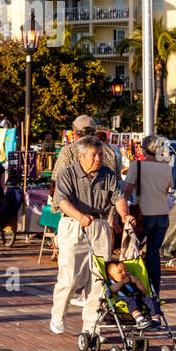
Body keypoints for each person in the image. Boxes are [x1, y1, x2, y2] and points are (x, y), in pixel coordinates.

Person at [50, 136, 129, 337]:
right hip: (73, 225)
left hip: (100, 225)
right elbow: (62, 201)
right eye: (94, 155)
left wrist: (125, 216)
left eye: (100, 155)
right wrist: (79, 216)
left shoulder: (107, 174)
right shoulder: (67, 173)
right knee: (69, 277)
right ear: (81, 156)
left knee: (100, 278)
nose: (98, 159)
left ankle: (91, 325)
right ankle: (58, 315)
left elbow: (118, 197)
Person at [123, 135, 174, 295]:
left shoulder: (136, 165)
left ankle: (134, 289)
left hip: (142, 215)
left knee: (132, 251)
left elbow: (127, 190)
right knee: (154, 254)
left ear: (144, 150)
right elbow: (166, 191)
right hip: (162, 214)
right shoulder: (167, 168)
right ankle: (154, 292)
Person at [105, 261, 158, 329]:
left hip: (139, 299)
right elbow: (112, 290)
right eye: (120, 272)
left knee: (151, 300)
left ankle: (155, 319)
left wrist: (137, 282)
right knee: (131, 300)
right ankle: (140, 320)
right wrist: (123, 282)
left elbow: (144, 292)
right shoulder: (113, 284)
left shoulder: (132, 282)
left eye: (127, 271)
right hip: (125, 302)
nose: (124, 273)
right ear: (111, 277)